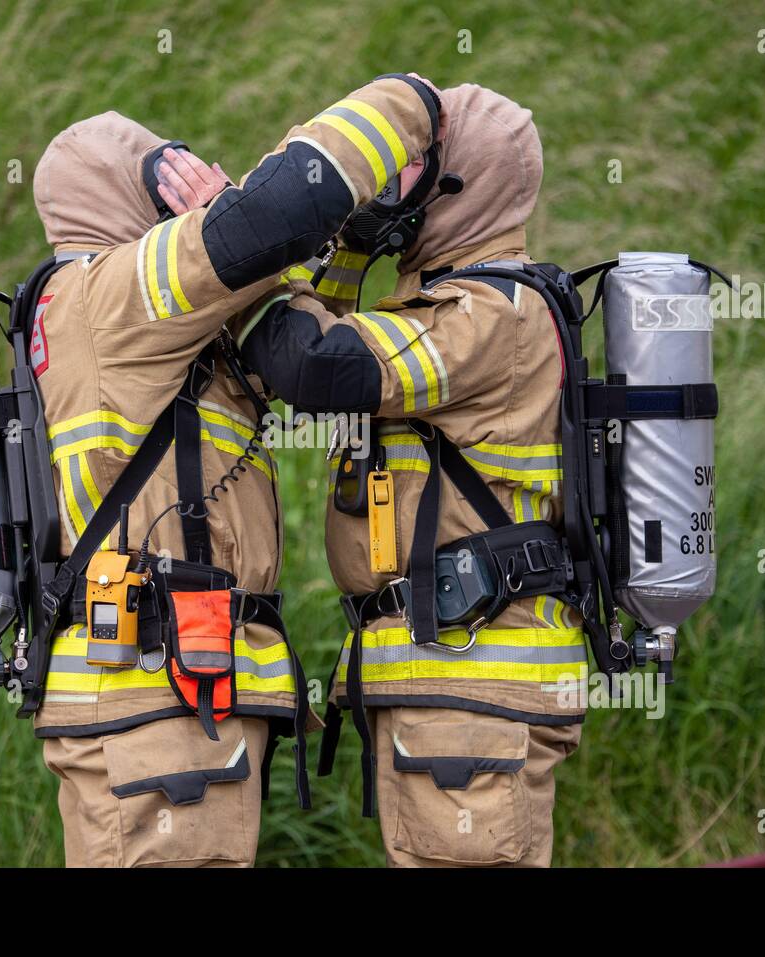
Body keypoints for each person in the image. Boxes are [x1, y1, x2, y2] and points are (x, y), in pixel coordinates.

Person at [28, 74, 445, 866]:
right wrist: (414, 104)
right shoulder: (110, 295)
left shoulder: (161, 334)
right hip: (152, 711)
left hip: (180, 706)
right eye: (167, 191)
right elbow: (272, 219)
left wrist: (353, 244)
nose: (187, 214)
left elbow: (299, 333)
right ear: (126, 208)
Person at [240, 84, 586, 867]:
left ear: (459, 183)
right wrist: (351, 252)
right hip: (450, 681)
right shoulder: (441, 301)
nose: (391, 184)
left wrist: (251, 264)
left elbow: (318, 365)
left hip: (475, 684)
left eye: (411, 166)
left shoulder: (491, 312)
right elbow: (326, 356)